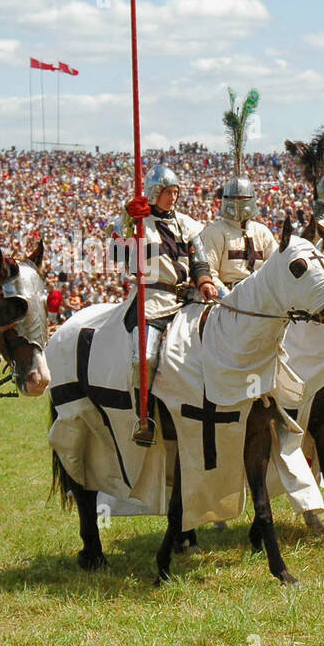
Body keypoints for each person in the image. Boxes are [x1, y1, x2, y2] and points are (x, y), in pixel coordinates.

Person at [111, 163, 218, 445]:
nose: (173, 197)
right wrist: (126, 218)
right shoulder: (138, 225)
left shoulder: (188, 224)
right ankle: (144, 417)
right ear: (154, 192)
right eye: (168, 192)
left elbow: (199, 259)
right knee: (144, 357)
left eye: (176, 192)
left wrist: (205, 280)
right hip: (153, 300)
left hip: (188, 300)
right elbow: (117, 254)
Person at [201, 177, 274, 294]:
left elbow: (275, 267)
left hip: (260, 297)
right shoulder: (214, 231)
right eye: (233, 198)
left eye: (243, 198)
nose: (237, 202)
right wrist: (226, 295)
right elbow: (208, 271)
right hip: (226, 296)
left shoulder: (262, 232)